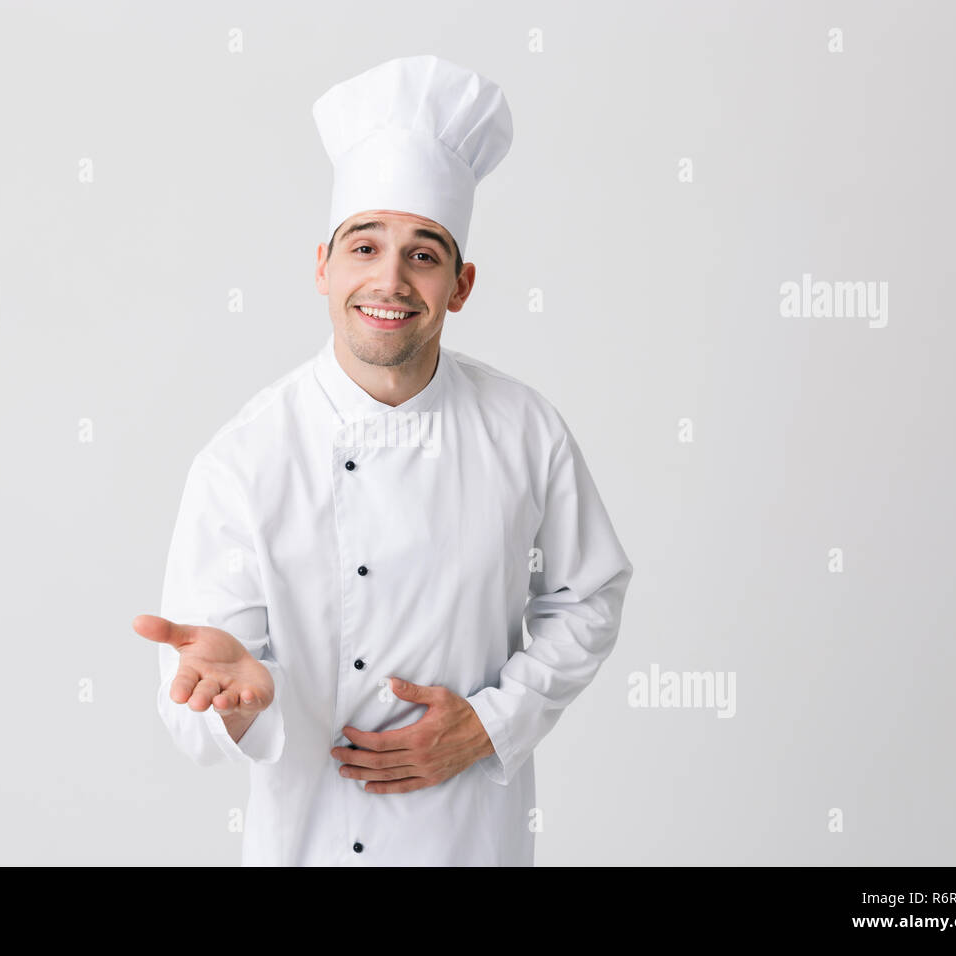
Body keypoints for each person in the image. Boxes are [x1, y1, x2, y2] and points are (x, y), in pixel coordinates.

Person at [132, 54, 633, 866]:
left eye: (424, 254)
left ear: (461, 284)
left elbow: (590, 596)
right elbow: (191, 708)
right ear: (323, 266)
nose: (390, 280)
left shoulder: (524, 429)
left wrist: (493, 723)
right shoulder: (245, 458)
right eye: (365, 247)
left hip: (470, 841)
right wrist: (240, 700)